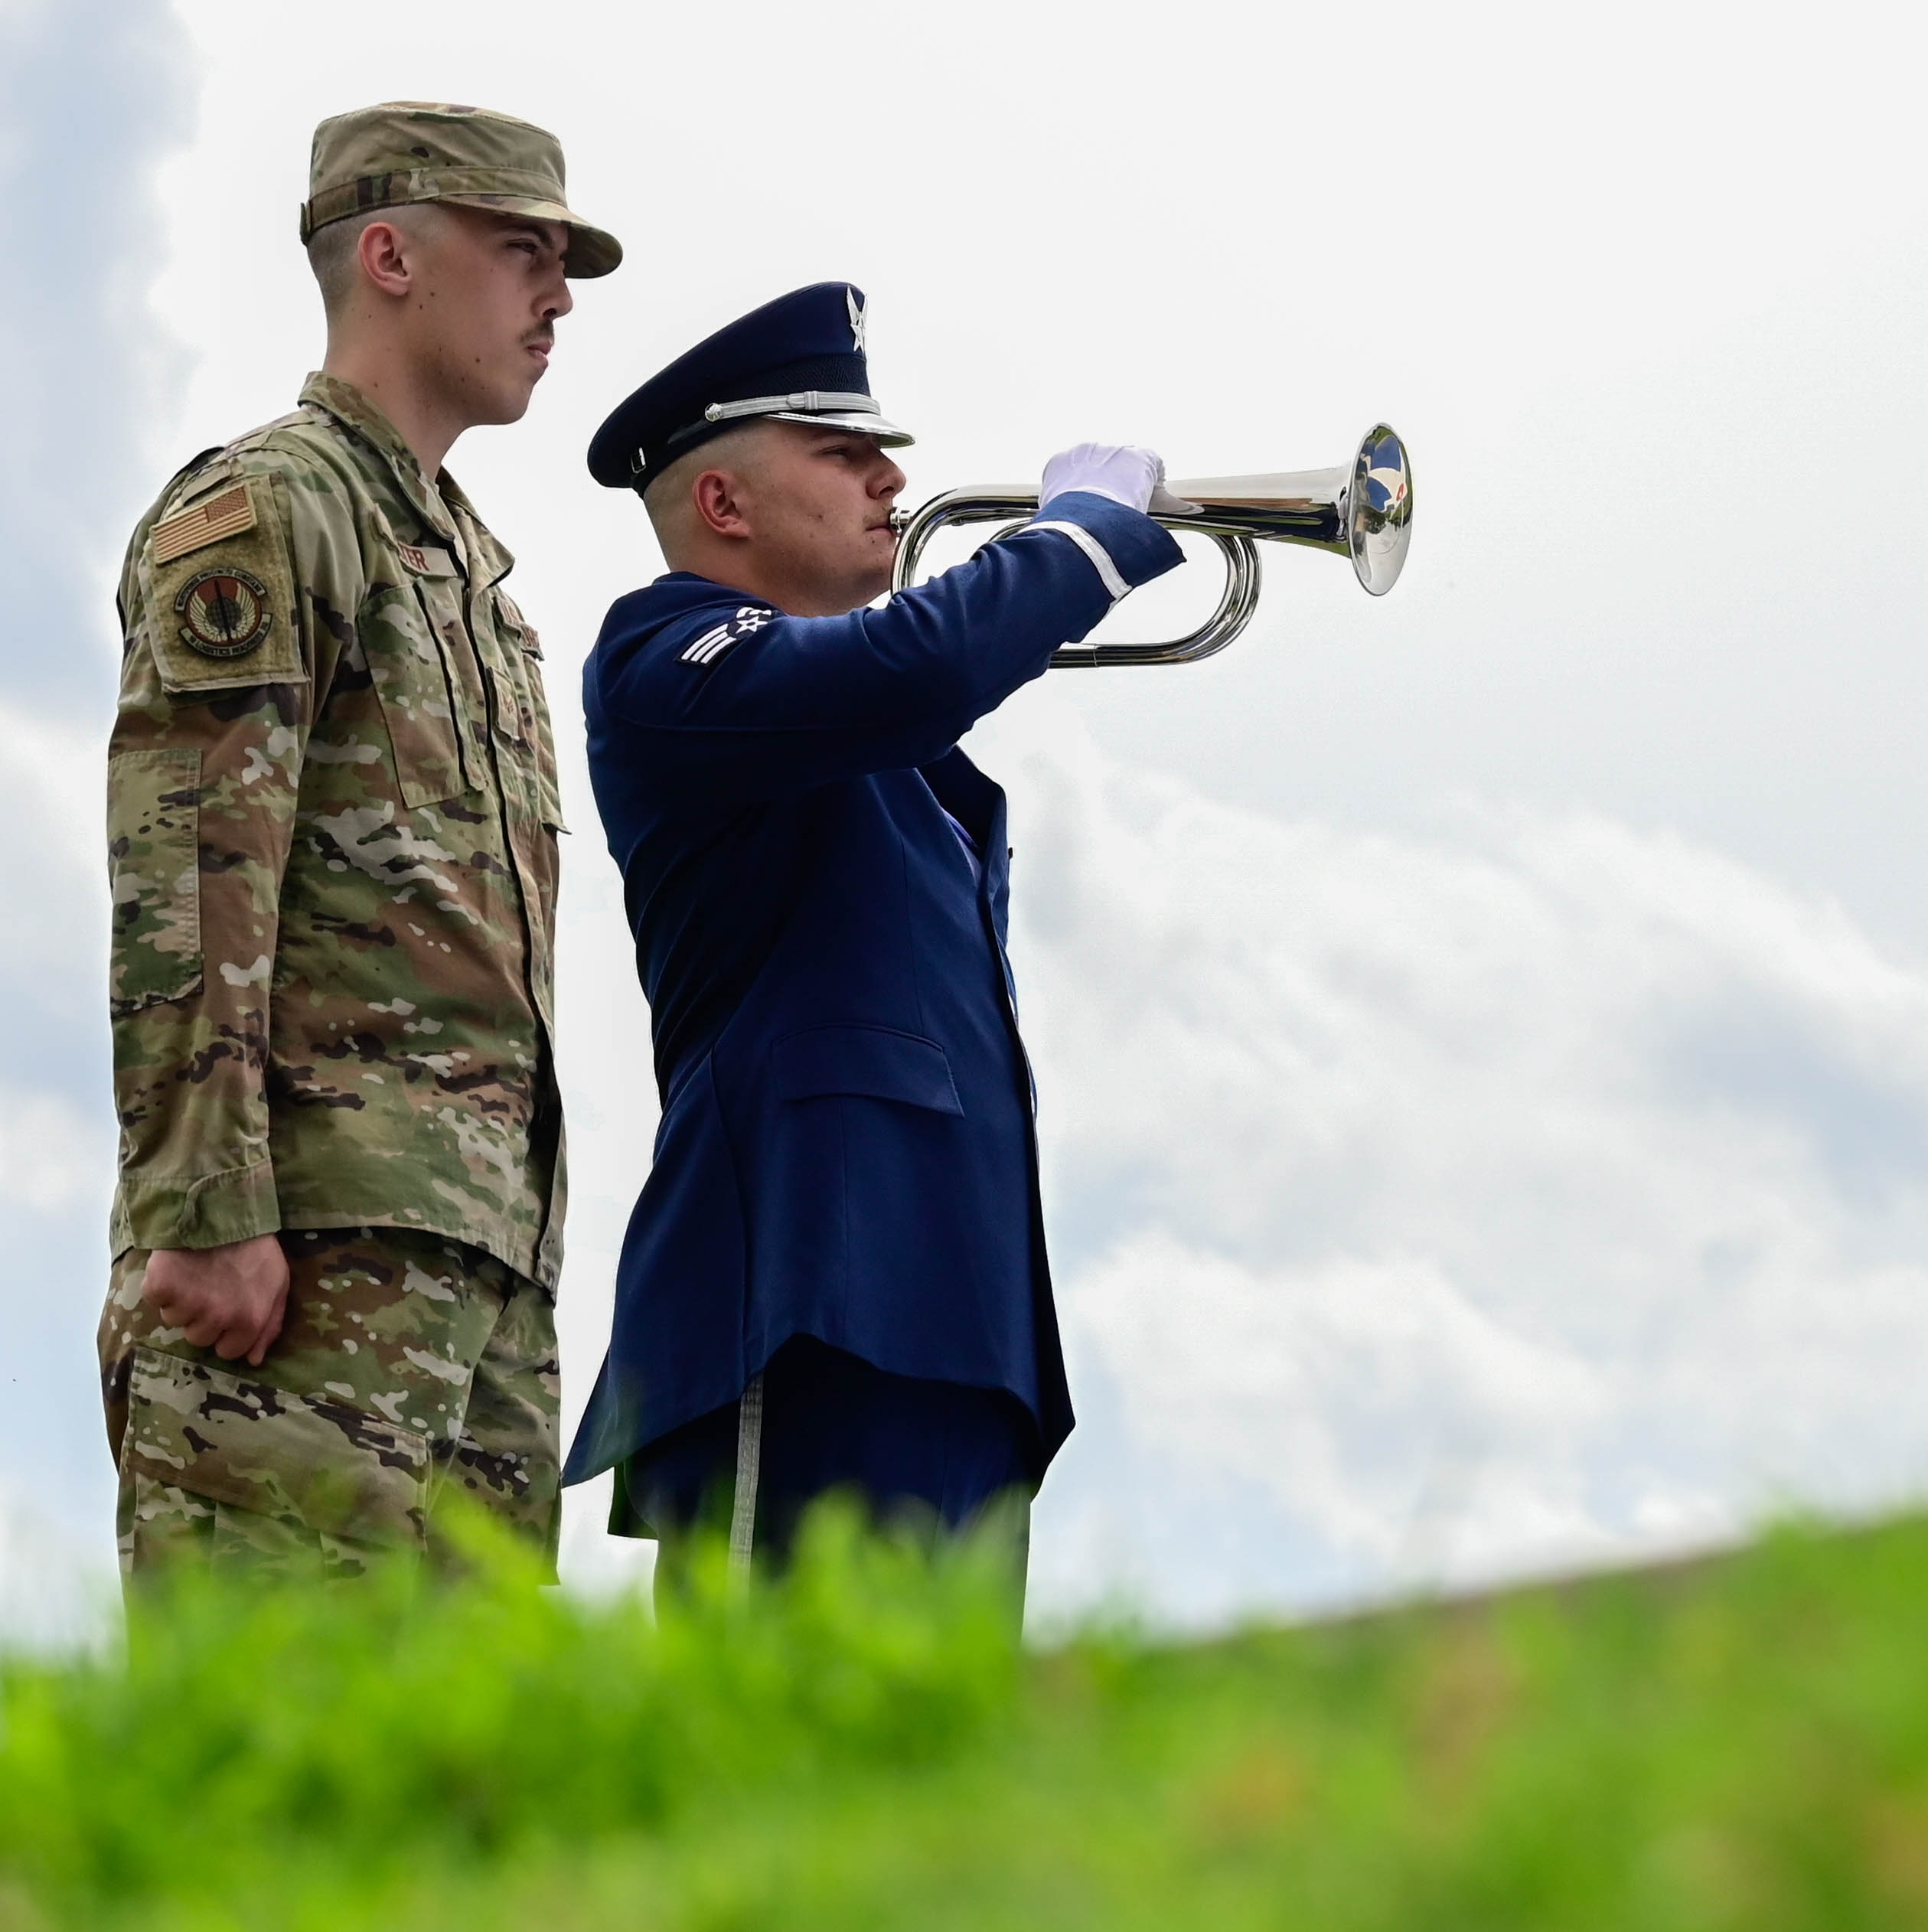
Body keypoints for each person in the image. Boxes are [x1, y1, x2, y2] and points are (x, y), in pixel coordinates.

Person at [566, 282, 1185, 1592]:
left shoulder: (879, 741)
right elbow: (909, 667)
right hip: (800, 1295)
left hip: (956, 1324)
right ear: (722, 507)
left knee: (926, 1781)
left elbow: (905, 685)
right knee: (772, 1759)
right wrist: (1072, 546)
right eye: (841, 453)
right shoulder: (663, 652)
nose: (891, 478)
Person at [98, 103, 618, 1578]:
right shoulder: (271, 508)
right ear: (388, 255)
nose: (559, 296)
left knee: (477, 1785)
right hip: (300, 1258)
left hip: (481, 1272)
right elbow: (189, 873)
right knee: (272, 1757)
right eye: (524, 250)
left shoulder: (471, 580)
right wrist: (202, 1210)